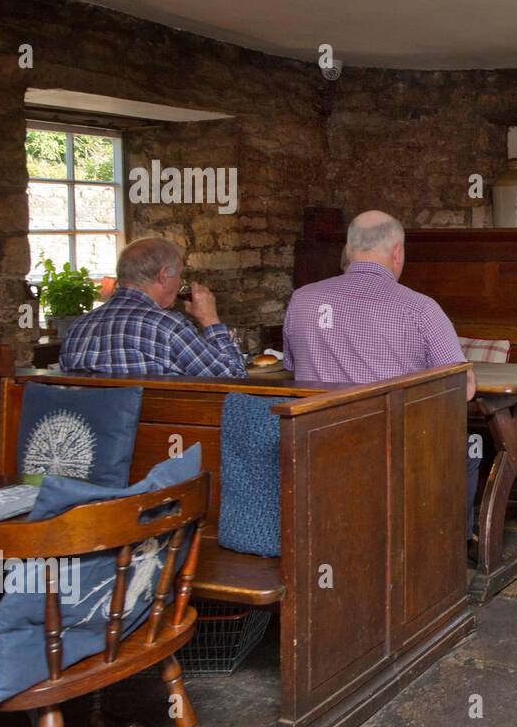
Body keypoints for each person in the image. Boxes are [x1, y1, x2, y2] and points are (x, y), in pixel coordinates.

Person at [282, 210, 480, 541]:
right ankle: (444, 549)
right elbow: (462, 388)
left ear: (348, 249)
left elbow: (291, 366)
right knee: (469, 449)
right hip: (390, 447)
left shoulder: (302, 299)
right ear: (397, 252)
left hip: (312, 442)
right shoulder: (420, 308)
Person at [60, 238, 248, 378]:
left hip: (89, 421)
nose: (180, 283)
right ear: (163, 275)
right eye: (179, 276)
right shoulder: (167, 326)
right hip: (156, 422)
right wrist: (210, 320)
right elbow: (234, 381)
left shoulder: (77, 328)